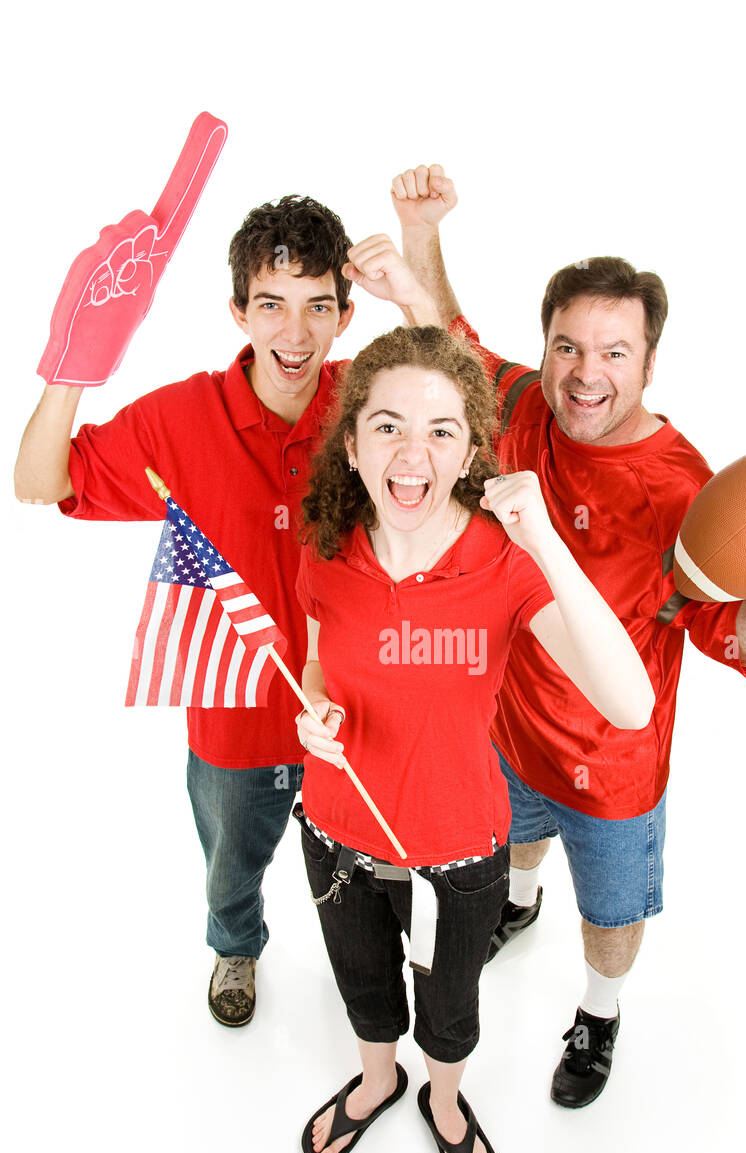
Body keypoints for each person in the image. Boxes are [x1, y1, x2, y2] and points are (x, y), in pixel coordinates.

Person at [392, 164, 746, 1109]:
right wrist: (422, 228)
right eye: (567, 347)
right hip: (509, 726)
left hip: (614, 764)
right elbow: (453, 339)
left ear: (648, 364)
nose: (585, 374)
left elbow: (740, 638)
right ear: (546, 350)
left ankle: (600, 1013)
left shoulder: (684, 491)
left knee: (611, 916)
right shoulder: (521, 408)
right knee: (513, 847)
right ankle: (520, 905)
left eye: (612, 352)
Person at [14, 189, 438, 1029]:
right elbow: (38, 481)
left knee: (373, 864)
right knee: (231, 865)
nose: (295, 332)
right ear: (237, 312)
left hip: (357, 706)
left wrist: (419, 295)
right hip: (235, 715)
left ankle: (382, 972)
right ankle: (234, 945)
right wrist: (73, 361)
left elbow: (471, 408)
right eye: (272, 305)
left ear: (345, 315)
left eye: (318, 306)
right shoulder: (180, 417)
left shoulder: (372, 402)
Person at [292, 322, 655, 1153]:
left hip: (458, 850)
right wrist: (311, 720)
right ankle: (380, 1078)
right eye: (388, 426)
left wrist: (545, 543)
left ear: (469, 452)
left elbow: (630, 703)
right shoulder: (326, 551)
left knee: (449, 1005)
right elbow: (313, 665)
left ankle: (444, 1102)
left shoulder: (501, 562)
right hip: (337, 834)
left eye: (441, 431)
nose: (413, 453)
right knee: (365, 985)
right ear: (352, 442)